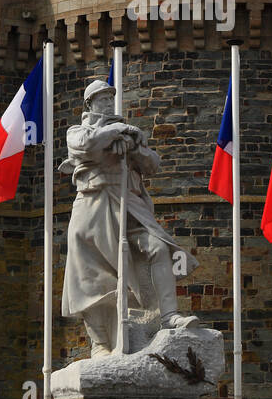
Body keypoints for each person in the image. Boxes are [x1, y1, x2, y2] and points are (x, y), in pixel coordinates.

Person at [60, 80, 200, 357]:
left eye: (110, 98)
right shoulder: (78, 131)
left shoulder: (130, 134)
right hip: (93, 206)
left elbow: (152, 164)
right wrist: (115, 130)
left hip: (129, 205)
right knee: (91, 279)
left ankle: (169, 316)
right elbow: (86, 146)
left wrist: (136, 146)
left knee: (158, 248)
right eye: (101, 99)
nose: (107, 104)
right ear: (89, 104)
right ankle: (100, 343)